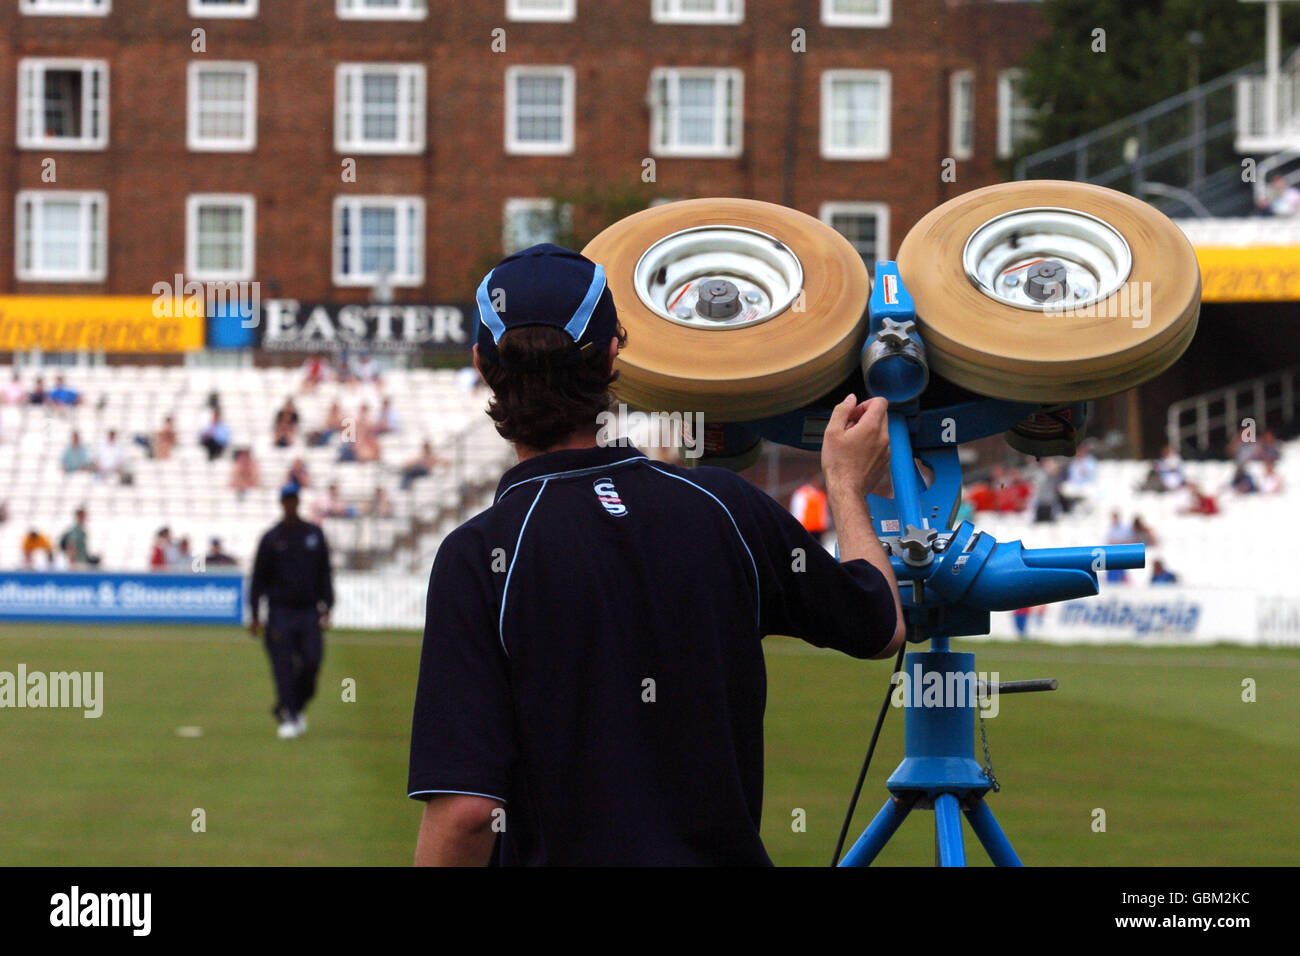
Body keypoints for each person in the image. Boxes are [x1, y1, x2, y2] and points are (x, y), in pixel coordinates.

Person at [407, 244, 904, 866]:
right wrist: (846, 486)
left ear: (482, 364)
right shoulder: (724, 505)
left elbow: (467, 813)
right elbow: (878, 623)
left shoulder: (478, 555)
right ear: (614, 353)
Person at [248, 483, 335, 740]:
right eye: (286, 500)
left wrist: (327, 606)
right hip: (279, 613)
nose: (290, 504)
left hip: (308, 612)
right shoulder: (272, 538)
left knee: (312, 662)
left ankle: (291, 705)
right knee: (283, 668)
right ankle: (290, 715)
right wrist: (254, 615)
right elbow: (258, 579)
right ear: (281, 503)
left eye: (293, 499)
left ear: (298, 501)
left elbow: (325, 573)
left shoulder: (314, 535)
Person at [1104, 511, 1134, 583]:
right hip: (1112, 555)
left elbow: (1129, 540)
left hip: (1121, 554)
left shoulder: (1125, 528)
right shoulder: (1110, 529)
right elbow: (1109, 542)